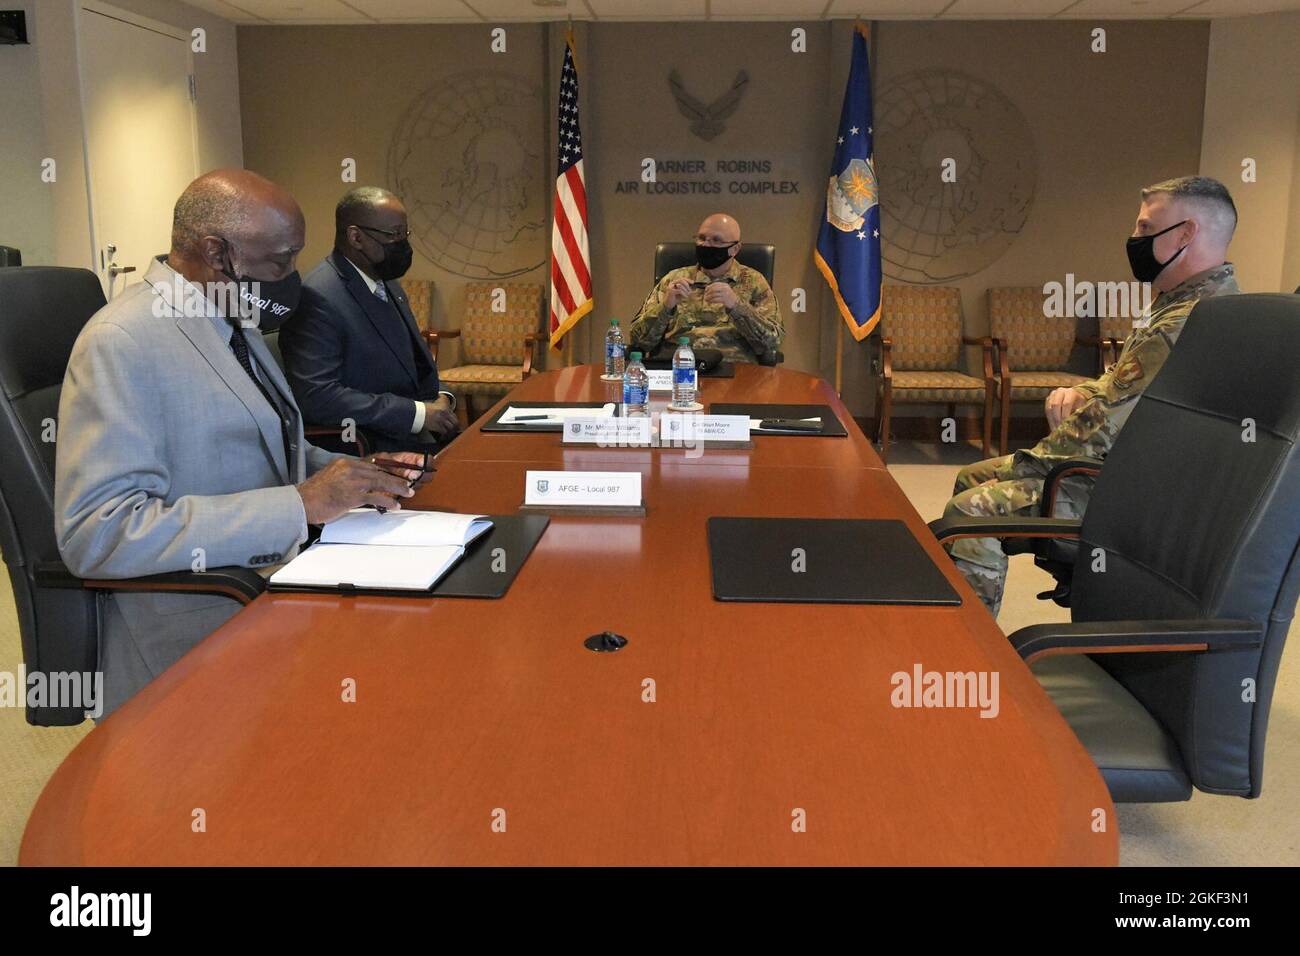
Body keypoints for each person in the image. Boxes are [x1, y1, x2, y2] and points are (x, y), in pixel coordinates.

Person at [55, 169, 429, 717]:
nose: (292, 276)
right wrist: (299, 504)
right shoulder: (123, 341)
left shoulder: (231, 316)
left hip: (278, 581)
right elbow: (98, 533)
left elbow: (275, 448)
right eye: (281, 260)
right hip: (201, 615)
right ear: (216, 252)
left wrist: (358, 473)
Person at [942, 176, 1241, 617]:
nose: (1134, 239)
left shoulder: (1187, 322)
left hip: (1131, 488)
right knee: (973, 476)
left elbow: (1102, 427)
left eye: (1144, 229)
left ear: (1185, 234)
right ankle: (1070, 586)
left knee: (972, 511)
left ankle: (970, 647)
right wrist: (1079, 390)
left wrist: (1030, 463)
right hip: (1124, 469)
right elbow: (1117, 385)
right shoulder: (1183, 303)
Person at [279, 186, 457, 454]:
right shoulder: (317, 297)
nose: (402, 244)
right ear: (356, 237)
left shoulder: (387, 284)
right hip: (372, 446)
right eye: (393, 235)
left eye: (404, 234)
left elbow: (415, 364)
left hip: (419, 436)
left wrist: (443, 397)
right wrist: (418, 414)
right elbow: (317, 396)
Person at [629, 212, 783, 363]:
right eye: (701, 238)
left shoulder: (754, 282)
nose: (706, 245)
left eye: (716, 240)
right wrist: (666, 307)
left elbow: (771, 343)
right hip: (678, 368)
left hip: (735, 370)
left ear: (735, 249)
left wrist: (737, 306)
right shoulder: (673, 279)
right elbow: (638, 341)